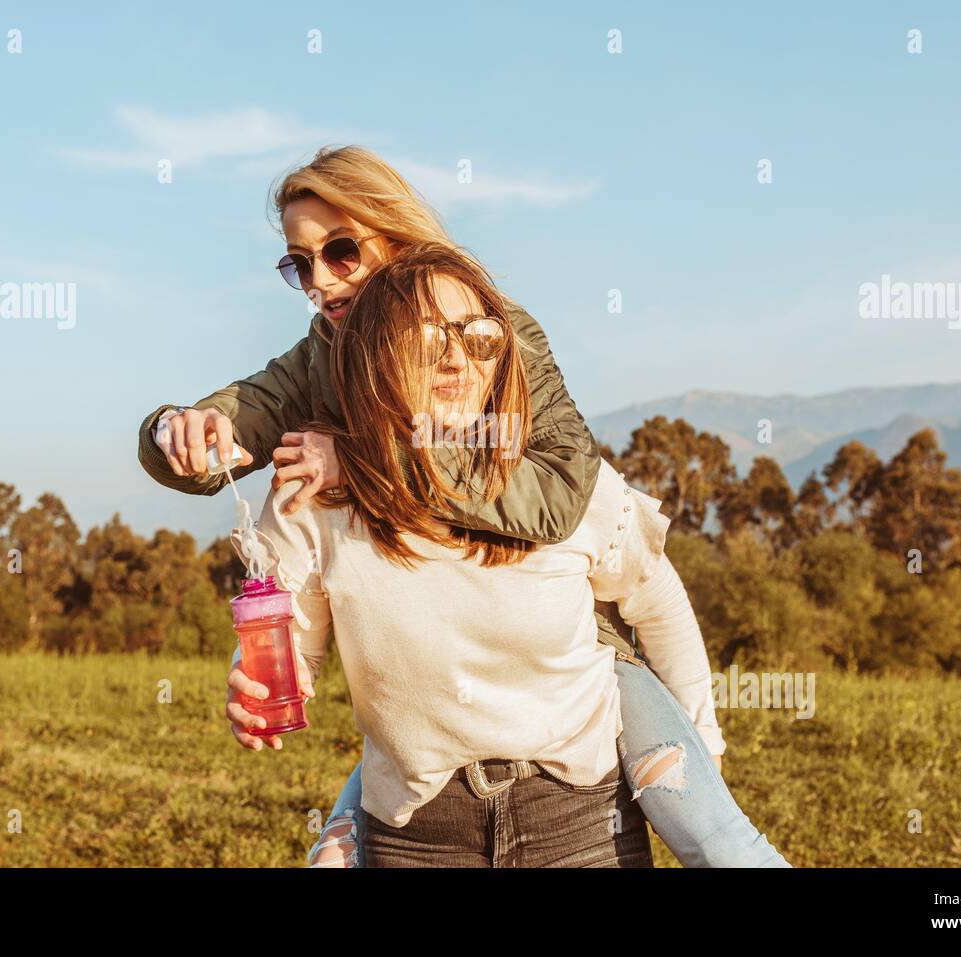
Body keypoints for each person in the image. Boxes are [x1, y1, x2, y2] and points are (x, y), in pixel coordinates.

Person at [140, 145, 788, 867]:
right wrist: (179, 427)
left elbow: (560, 493)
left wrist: (366, 461)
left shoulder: (493, 333)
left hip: (579, 703)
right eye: (300, 264)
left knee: (721, 841)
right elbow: (247, 421)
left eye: (342, 251)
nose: (320, 281)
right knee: (378, 803)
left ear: (396, 236)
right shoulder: (322, 359)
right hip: (423, 785)